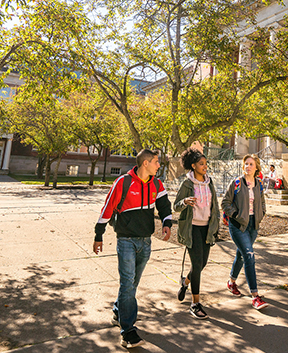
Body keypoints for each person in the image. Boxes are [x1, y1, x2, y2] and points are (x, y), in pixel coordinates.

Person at [93, 149, 172, 349]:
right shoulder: (123, 182)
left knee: (132, 283)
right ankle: (128, 331)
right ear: (145, 163)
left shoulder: (156, 183)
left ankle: (118, 311)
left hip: (146, 240)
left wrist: (167, 222)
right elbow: (108, 207)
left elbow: (164, 204)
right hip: (126, 239)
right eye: (156, 162)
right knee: (128, 283)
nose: (158, 165)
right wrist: (98, 234)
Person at [174, 147, 220, 319]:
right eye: (201, 164)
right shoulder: (187, 184)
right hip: (192, 228)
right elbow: (176, 206)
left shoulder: (210, 182)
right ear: (193, 166)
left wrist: (216, 225)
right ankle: (195, 304)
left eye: (206, 164)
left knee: (201, 264)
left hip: (207, 228)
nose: (205, 167)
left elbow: (215, 206)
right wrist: (185, 201)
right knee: (197, 265)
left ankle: (185, 283)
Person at [221, 154, 269, 310]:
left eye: (251, 164)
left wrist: (261, 214)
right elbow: (225, 202)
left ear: (256, 167)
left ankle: (231, 282)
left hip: (253, 226)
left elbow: (261, 202)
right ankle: (255, 296)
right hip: (238, 226)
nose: (248, 166)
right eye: (246, 164)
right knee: (249, 256)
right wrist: (235, 215)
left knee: (241, 255)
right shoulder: (236, 183)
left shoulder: (259, 184)